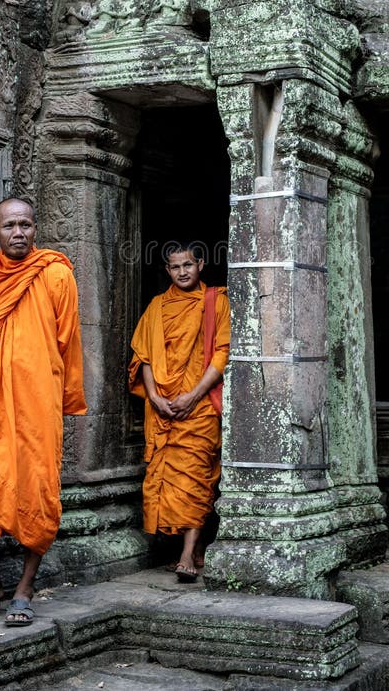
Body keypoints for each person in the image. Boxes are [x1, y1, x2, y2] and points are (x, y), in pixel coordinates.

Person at [0, 198, 87, 624]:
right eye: (9, 226)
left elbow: (69, 342)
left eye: (26, 224)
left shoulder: (56, 273)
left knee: (38, 493)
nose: (19, 233)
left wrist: (63, 400)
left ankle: (24, 589)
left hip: (38, 406)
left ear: (35, 228)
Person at [128, 242, 230, 583]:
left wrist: (193, 395)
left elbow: (221, 355)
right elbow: (143, 356)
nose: (182, 272)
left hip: (198, 406)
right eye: (175, 267)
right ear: (167, 270)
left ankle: (187, 554)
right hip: (162, 408)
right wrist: (155, 397)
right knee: (170, 478)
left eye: (188, 264)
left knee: (196, 478)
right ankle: (192, 547)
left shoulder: (215, 301)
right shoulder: (157, 307)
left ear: (200, 264)